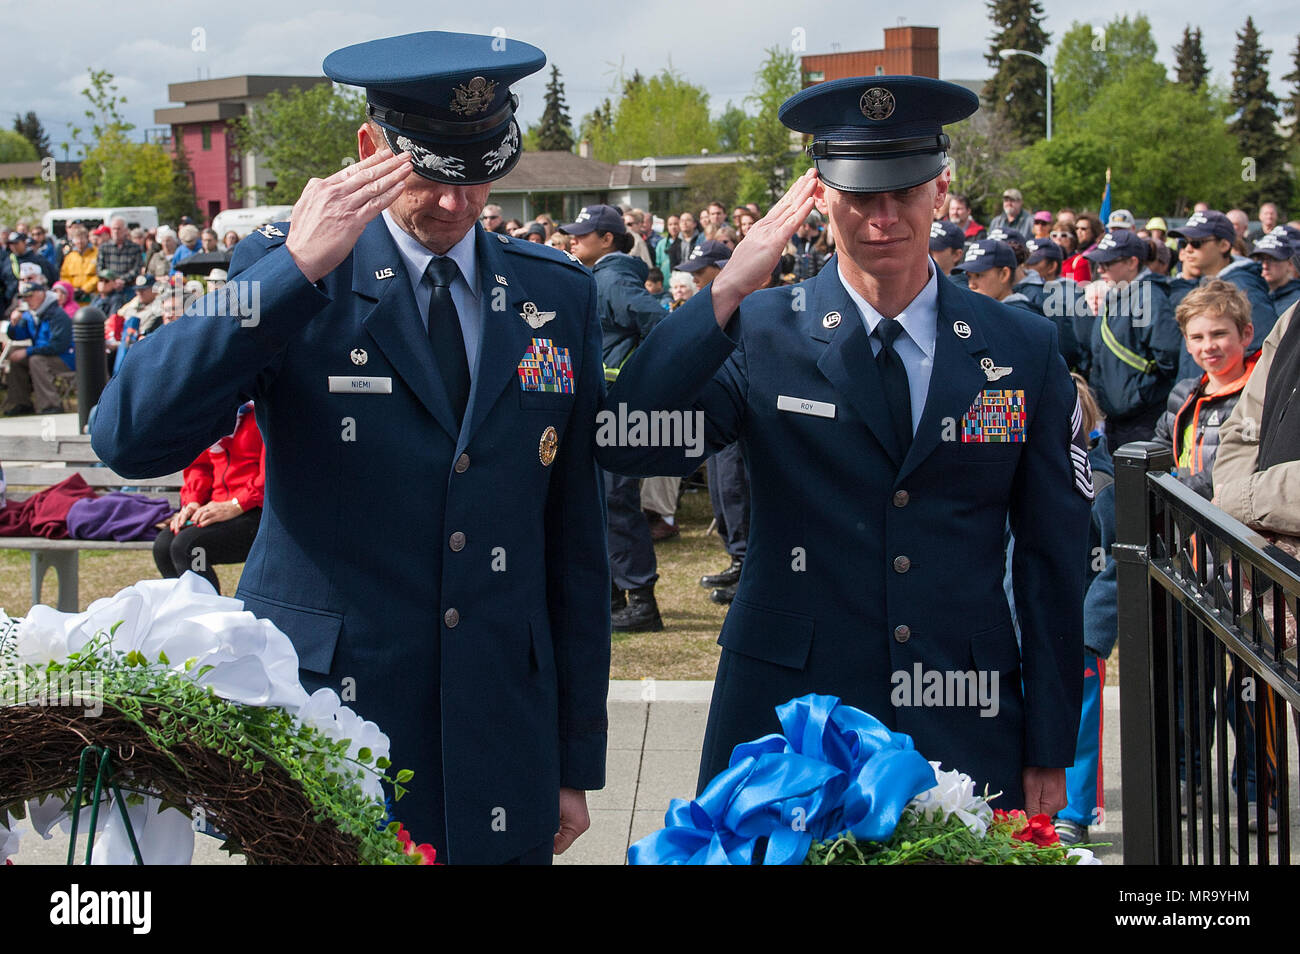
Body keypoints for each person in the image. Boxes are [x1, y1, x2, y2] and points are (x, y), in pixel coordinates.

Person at [91, 31, 609, 866]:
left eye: (478, 172)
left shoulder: (554, 295)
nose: (456, 202)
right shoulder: (292, 276)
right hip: (331, 730)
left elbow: (576, 545)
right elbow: (129, 434)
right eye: (430, 172)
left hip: (500, 730)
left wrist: (575, 757)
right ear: (370, 150)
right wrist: (291, 270)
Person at [599, 75, 1092, 814]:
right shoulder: (764, 331)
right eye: (861, 195)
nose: (883, 216)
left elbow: (1053, 560)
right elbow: (628, 439)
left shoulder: (1020, 346)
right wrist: (724, 293)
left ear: (941, 190)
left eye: (904, 191)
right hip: (789, 712)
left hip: (960, 707)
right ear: (822, 197)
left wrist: (1050, 743)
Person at [561, 203, 666, 631]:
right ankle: (614, 595)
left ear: (607, 239)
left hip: (618, 410)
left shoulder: (613, 277)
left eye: (583, 234)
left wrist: (642, 381)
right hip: (605, 408)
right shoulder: (601, 275)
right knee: (601, 504)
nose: (573, 238)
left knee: (616, 503)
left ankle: (641, 601)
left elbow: (658, 320)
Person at [154, 401, 266, 595]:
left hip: (257, 512)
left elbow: (271, 475)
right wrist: (193, 502)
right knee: (163, 546)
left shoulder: (264, 414)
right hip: (217, 508)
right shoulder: (214, 412)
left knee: (190, 547)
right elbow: (200, 466)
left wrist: (236, 505)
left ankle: (210, 616)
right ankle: (182, 612)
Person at [1083, 228, 1181, 448]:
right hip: (1118, 418)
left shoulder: (1149, 297)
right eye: (1098, 263)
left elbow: (1170, 356)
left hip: (1142, 420)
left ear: (1132, 262)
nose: (1100, 269)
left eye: (1107, 263)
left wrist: (1140, 394)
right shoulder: (1117, 295)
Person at [1169, 210, 1276, 376]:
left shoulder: (1244, 288)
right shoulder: (1207, 283)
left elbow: (1265, 351)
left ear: (1224, 245)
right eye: (1184, 243)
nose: (1188, 249)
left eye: (1196, 243)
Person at [3, 280, 74, 415]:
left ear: (41, 294)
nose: (26, 300)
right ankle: (21, 403)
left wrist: (28, 351)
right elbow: (17, 336)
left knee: (36, 360)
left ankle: (50, 405)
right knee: (16, 356)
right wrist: (14, 324)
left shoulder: (57, 314)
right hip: (45, 354)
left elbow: (58, 346)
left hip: (67, 358)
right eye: (24, 297)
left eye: (30, 296)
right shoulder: (31, 314)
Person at [1250, 228, 1300, 317]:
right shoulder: (1256, 294)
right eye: (1260, 259)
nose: (1265, 266)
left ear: (1290, 264)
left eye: (1272, 259)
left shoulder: (1294, 303)